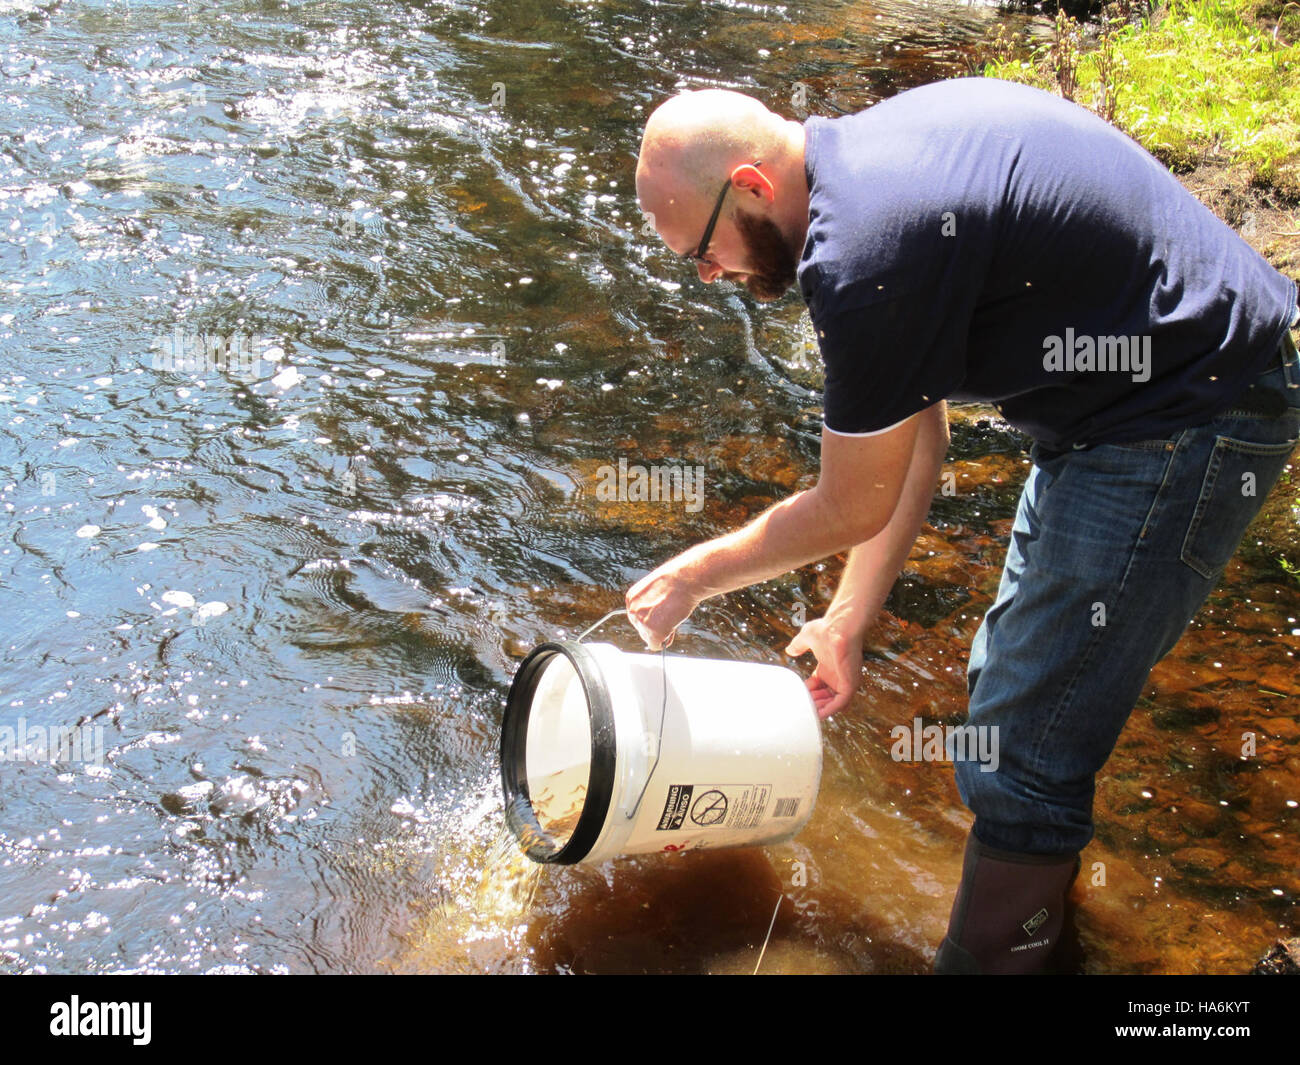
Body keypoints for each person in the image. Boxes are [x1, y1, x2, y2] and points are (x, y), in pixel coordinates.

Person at [627, 77, 1300, 974]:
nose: (711, 276)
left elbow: (850, 502)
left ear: (749, 185)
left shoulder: (860, 252)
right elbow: (917, 437)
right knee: (1015, 690)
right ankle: (1049, 932)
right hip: (1136, 400)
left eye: (701, 252)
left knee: (1023, 742)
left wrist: (688, 578)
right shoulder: (862, 169)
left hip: (1187, 412)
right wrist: (847, 620)